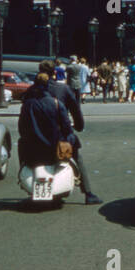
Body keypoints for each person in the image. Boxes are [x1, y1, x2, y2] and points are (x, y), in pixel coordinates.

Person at [38, 59, 101, 204]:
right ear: (55, 73)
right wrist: (78, 126)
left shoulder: (32, 90)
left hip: (37, 135)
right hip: (58, 136)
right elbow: (76, 111)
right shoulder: (63, 89)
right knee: (77, 154)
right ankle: (88, 192)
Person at [17, 70, 75, 173]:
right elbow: (67, 128)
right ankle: (83, 182)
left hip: (33, 150)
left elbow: (22, 129)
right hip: (54, 150)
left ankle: (21, 169)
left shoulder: (27, 105)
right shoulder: (56, 103)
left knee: (21, 142)